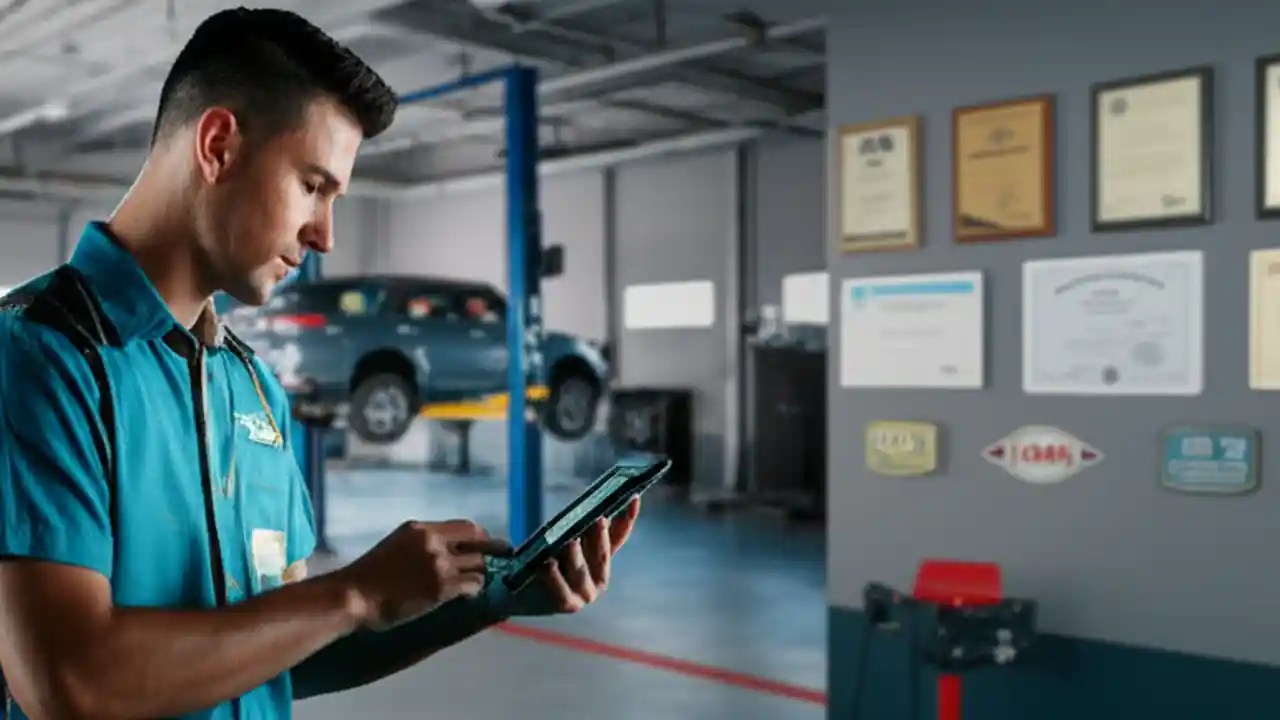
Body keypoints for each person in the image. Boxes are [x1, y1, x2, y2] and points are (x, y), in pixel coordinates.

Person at [0, 7, 641, 720]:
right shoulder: (36, 358)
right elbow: (71, 683)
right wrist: (352, 592)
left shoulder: (250, 387)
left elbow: (281, 653)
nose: (326, 235)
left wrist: (492, 597)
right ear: (217, 146)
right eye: (313, 186)